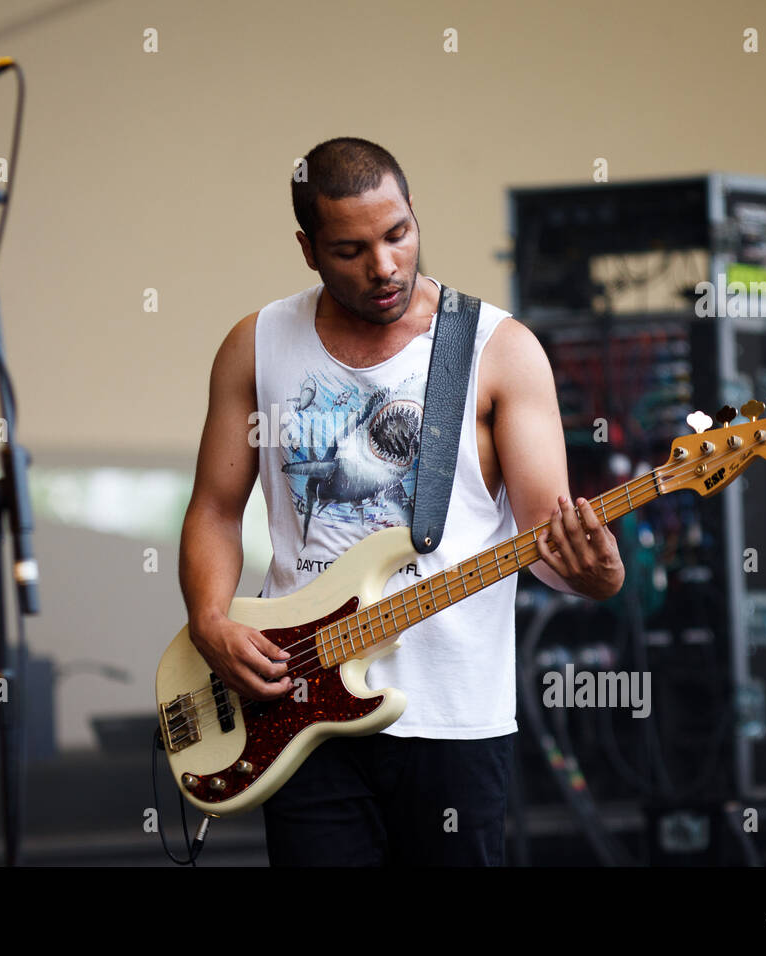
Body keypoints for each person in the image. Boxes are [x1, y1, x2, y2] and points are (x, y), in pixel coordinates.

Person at [177, 137, 624, 865]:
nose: (384, 267)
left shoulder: (496, 348)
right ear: (308, 248)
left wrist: (597, 572)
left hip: (452, 720)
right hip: (296, 714)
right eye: (350, 249)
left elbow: (548, 536)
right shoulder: (256, 345)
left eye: (397, 234)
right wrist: (209, 620)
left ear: (414, 214)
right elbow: (216, 510)